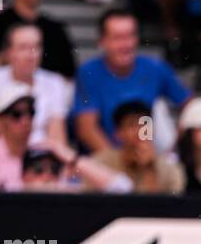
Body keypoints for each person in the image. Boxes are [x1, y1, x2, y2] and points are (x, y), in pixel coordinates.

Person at [73, 9, 192, 152]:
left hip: (147, 149)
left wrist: (175, 146)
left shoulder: (155, 68)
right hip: (106, 159)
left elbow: (190, 105)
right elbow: (87, 129)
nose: (126, 45)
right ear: (102, 41)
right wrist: (118, 166)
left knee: (158, 109)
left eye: (130, 36)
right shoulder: (89, 72)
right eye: (117, 38)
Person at [0, 21, 69, 151]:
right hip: (2, 159)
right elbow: (6, 139)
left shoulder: (55, 82)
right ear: (8, 52)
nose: (31, 55)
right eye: (23, 48)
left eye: (36, 47)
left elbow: (58, 138)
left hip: (44, 159)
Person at [90, 99, 186, 193]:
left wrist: (148, 168)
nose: (140, 131)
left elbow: (171, 205)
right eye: (131, 125)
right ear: (118, 133)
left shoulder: (170, 168)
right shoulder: (101, 163)